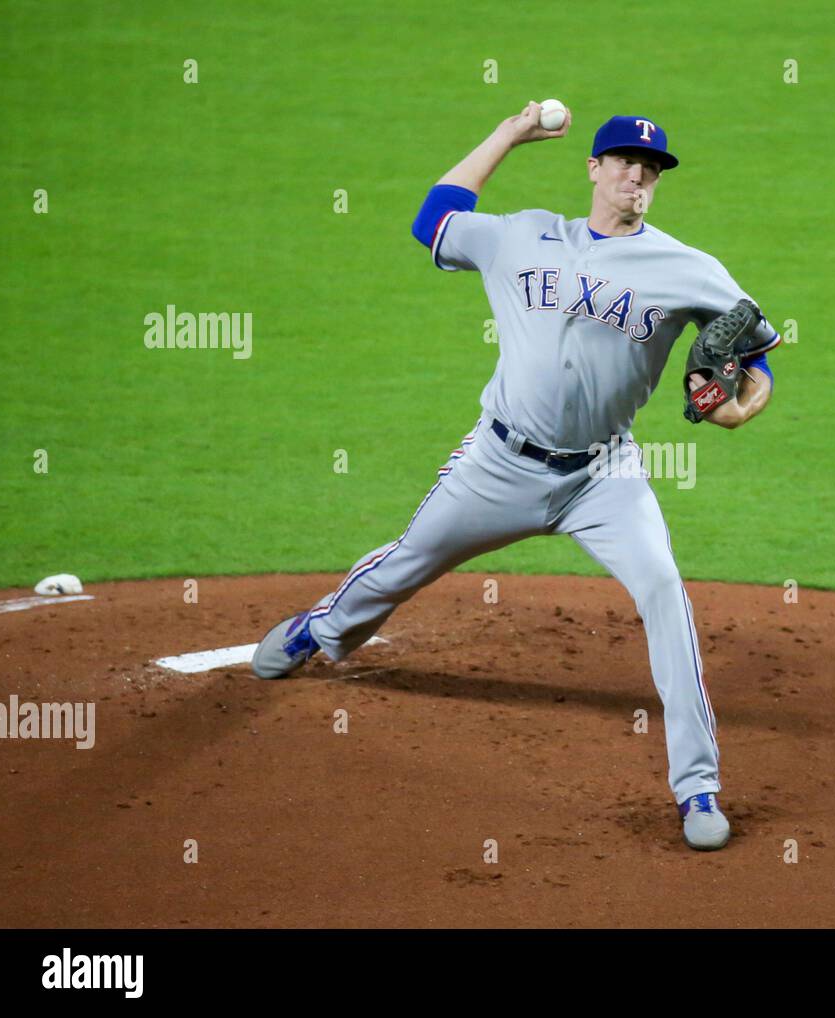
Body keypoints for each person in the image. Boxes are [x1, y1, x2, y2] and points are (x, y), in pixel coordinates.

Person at [251, 102, 781, 851]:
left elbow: (755, 360)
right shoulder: (523, 235)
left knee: (664, 591)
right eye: (626, 160)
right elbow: (432, 219)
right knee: (408, 561)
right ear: (594, 168)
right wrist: (508, 133)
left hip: (605, 475)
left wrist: (742, 409)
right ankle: (323, 630)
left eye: (653, 167)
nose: (639, 174)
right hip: (498, 462)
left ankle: (697, 790)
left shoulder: (687, 269)